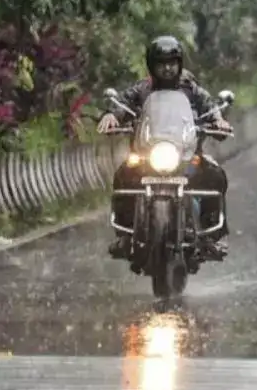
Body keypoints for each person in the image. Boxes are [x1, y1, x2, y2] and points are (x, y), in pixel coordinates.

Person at [96, 35, 233, 260]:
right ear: (152, 65)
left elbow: (209, 105)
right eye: (162, 64)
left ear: (180, 64)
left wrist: (218, 120)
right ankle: (124, 234)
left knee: (216, 176)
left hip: (186, 158)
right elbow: (124, 102)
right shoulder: (143, 88)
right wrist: (112, 114)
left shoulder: (190, 88)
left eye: (172, 63)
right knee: (123, 176)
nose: (168, 69)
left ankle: (211, 236)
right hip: (146, 158)